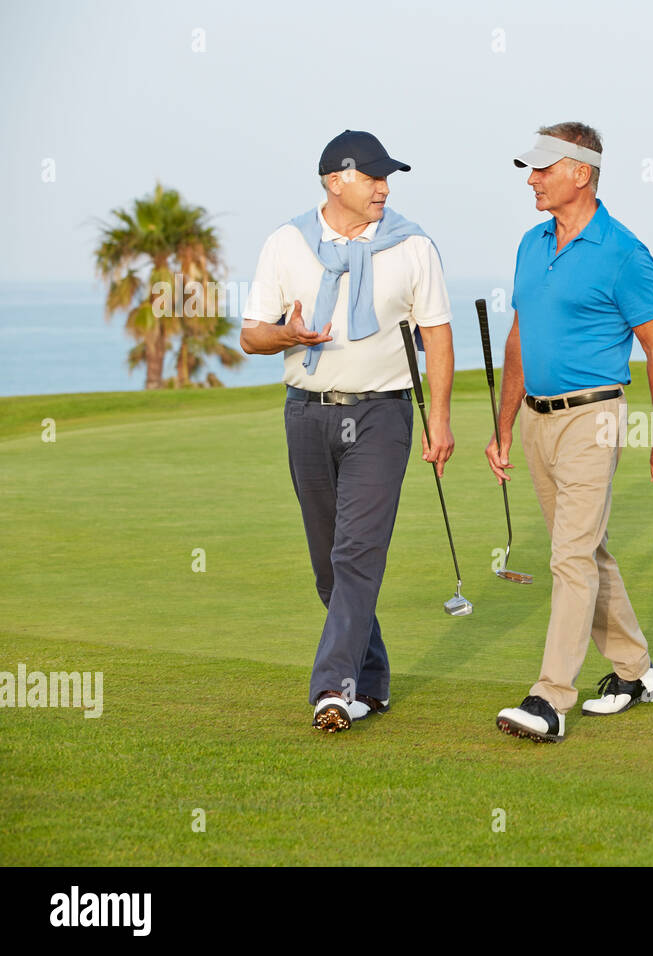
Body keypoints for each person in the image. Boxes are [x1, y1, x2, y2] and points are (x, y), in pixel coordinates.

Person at [240, 129, 455, 733]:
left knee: (357, 553)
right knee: (328, 569)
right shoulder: (287, 243)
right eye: (373, 177)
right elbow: (251, 335)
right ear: (336, 181)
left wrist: (438, 416)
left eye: (389, 178)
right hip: (306, 413)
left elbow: (436, 332)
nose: (385, 188)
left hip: (382, 414)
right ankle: (374, 679)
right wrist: (291, 335)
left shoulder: (413, 246)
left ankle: (333, 688)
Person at [489, 122, 653, 744]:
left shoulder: (624, 252)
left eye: (544, 169)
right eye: (531, 168)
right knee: (589, 552)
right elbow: (520, 336)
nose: (532, 179)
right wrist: (503, 423)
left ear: (582, 172)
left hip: (593, 418)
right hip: (537, 421)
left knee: (570, 557)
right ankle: (633, 670)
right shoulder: (530, 242)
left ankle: (549, 700)